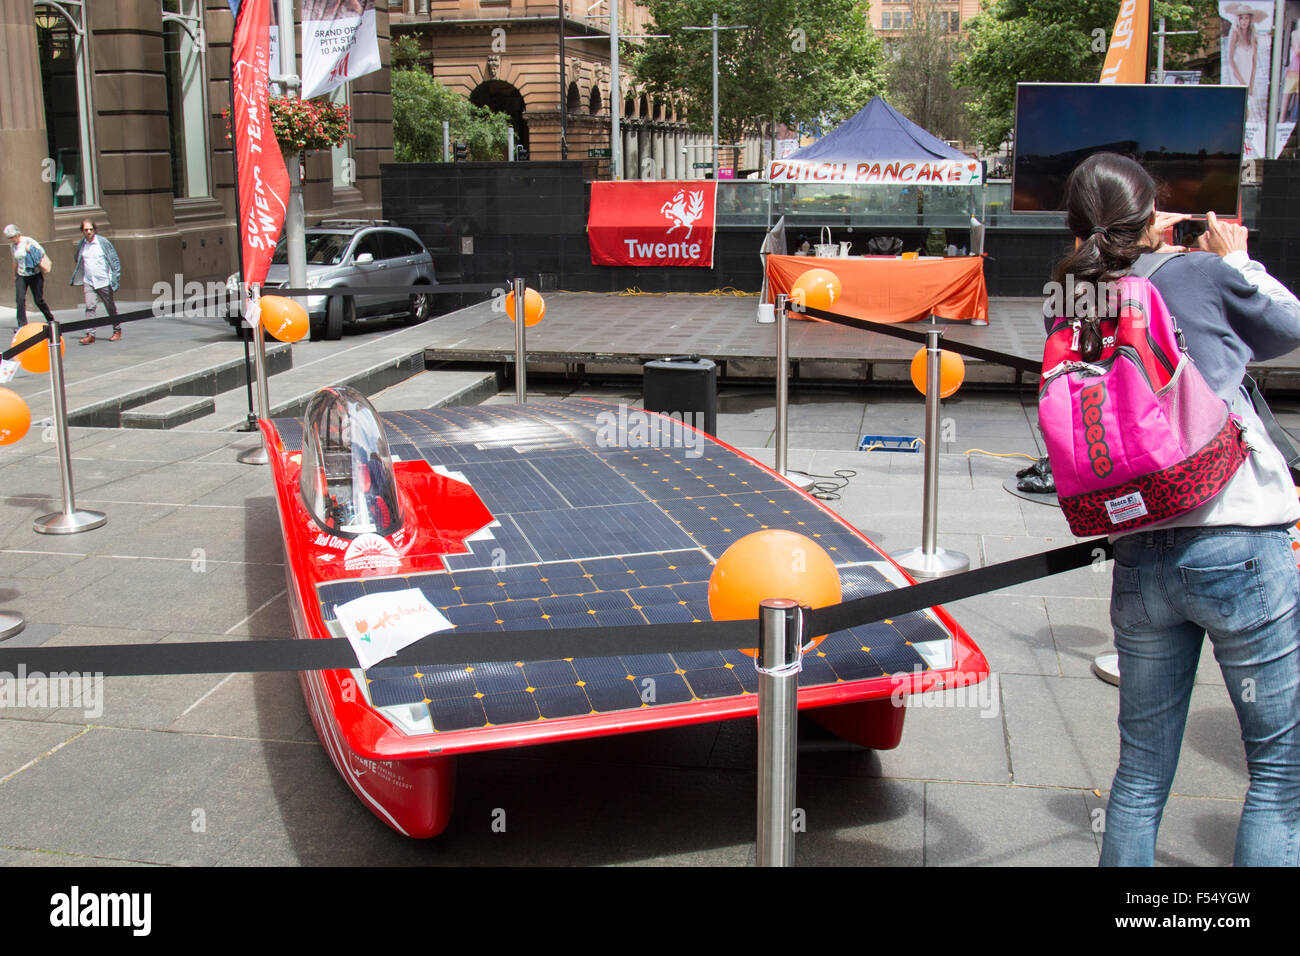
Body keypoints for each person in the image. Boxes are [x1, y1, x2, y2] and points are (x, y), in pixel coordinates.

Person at [1050, 152, 1300, 866]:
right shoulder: (1201, 274)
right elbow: (1288, 326)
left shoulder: (1070, 297)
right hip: (1236, 538)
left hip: (1140, 545)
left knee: (1139, 773)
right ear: (1150, 212)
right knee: (1279, 773)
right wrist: (1237, 259)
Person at [70, 220, 122, 344]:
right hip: (89, 281)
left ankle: (117, 330)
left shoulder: (102, 242)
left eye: (91, 229)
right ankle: (90, 334)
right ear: (82, 231)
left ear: (94, 230)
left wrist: (115, 278)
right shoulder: (82, 244)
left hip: (104, 281)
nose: (88, 232)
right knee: (90, 307)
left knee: (110, 307)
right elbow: (78, 259)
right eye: (86, 230)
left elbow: (114, 260)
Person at [5, 223, 56, 328]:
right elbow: (15, 260)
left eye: (13, 237)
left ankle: (50, 319)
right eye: (10, 238)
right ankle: (22, 324)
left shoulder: (28, 241)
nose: (12, 239)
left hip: (34, 274)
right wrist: (14, 274)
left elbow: (41, 253)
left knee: (38, 300)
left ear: (17, 234)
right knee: (20, 299)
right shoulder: (13, 246)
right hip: (21, 275)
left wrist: (30, 250)